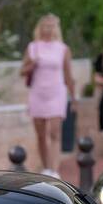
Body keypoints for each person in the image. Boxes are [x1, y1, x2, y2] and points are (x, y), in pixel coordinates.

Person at [21, 14, 76, 177]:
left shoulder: (63, 49)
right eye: (46, 26)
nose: (49, 29)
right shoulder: (32, 47)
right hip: (38, 93)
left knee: (54, 131)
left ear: (56, 28)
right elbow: (22, 71)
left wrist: (73, 98)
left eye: (52, 26)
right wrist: (32, 63)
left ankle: (54, 169)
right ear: (40, 27)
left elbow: (68, 75)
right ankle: (45, 167)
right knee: (41, 134)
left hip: (56, 93)